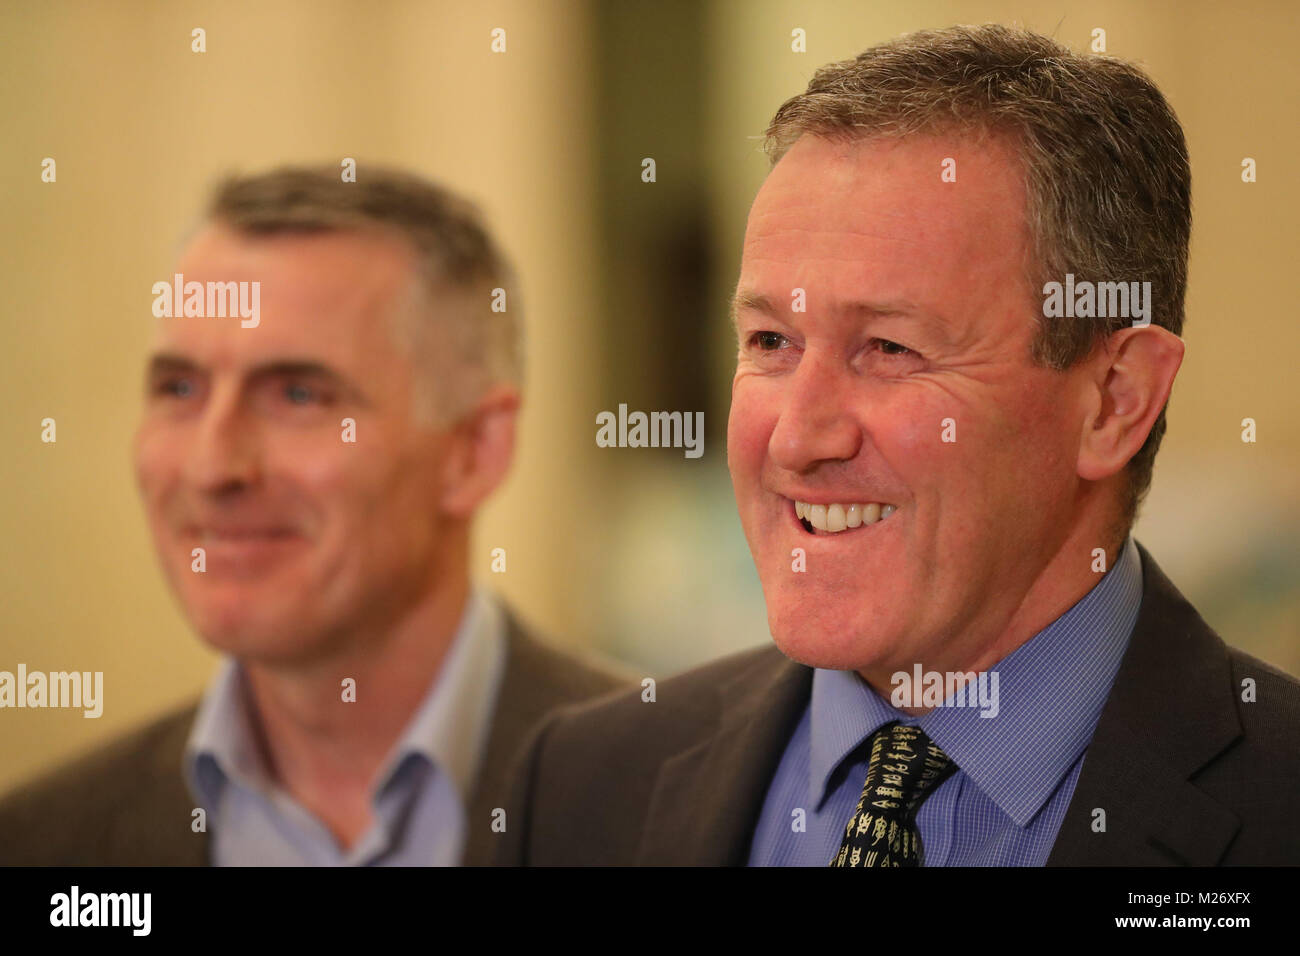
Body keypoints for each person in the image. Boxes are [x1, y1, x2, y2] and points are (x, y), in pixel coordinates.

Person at [494, 24, 1300, 866]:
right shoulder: (582, 789)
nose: (799, 436)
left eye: (889, 350)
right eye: (771, 341)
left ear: (1113, 401)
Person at [0, 165, 630, 865]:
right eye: (180, 388)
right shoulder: (44, 843)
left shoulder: (688, 804)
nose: (213, 468)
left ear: (474, 450)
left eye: (298, 396)